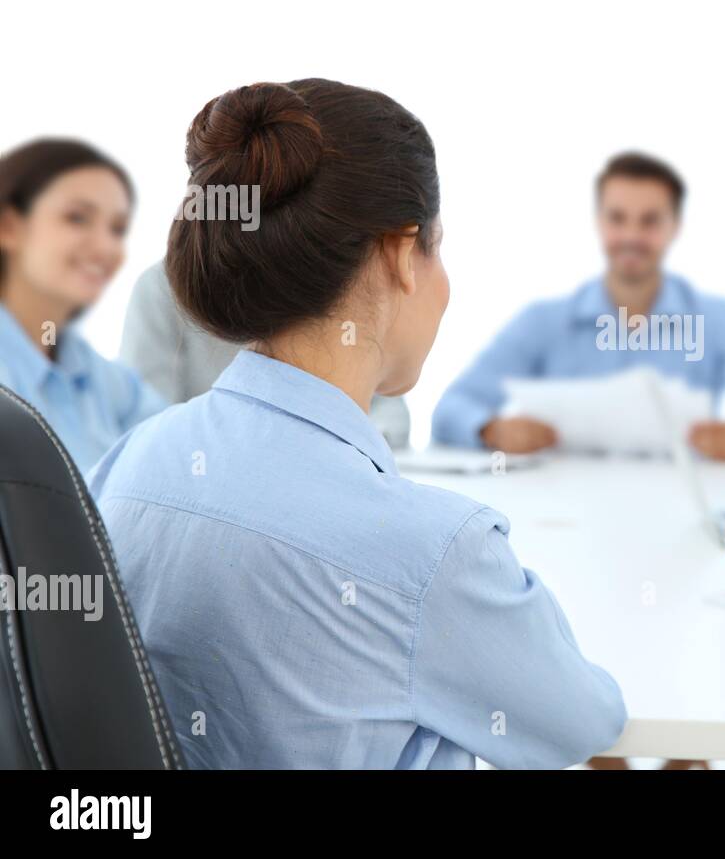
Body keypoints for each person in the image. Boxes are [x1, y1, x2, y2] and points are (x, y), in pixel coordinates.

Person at [89, 79, 626, 769]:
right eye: (440, 248)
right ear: (403, 253)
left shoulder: (131, 463)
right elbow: (584, 722)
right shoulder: (434, 554)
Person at [431, 152, 725, 460]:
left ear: (675, 227)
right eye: (617, 218)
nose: (631, 236)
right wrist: (490, 429)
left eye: (649, 221)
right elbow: (451, 409)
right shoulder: (543, 322)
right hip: (561, 517)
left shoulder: (724, 321)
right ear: (598, 222)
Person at [0, 138, 166, 472]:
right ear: (9, 226)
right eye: (77, 218)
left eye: (117, 228)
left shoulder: (103, 379)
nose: (105, 247)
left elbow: (179, 445)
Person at [120, 260, 412, 447]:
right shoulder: (159, 289)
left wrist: (352, 443)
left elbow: (391, 411)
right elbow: (146, 420)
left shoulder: (323, 281)